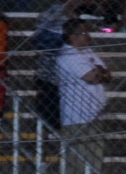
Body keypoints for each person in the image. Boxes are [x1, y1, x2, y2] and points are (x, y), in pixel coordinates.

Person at [56, 18, 112, 174]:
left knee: (87, 170)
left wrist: (99, 73)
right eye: (83, 33)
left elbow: (106, 74)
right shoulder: (67, 56)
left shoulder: (87, 52)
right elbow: (93, 77)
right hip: (76, 119)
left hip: (94, 118)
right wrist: (98, 73)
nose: (88, 36)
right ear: (72, 36)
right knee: (73, 172)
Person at [32, 0, 88, 130]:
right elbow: (41, 39)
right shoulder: (52, 14)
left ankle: (55, 134)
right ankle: (46, 135)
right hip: (49, 73)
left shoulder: (74, 15)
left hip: (66, 75)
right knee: (48, 107)